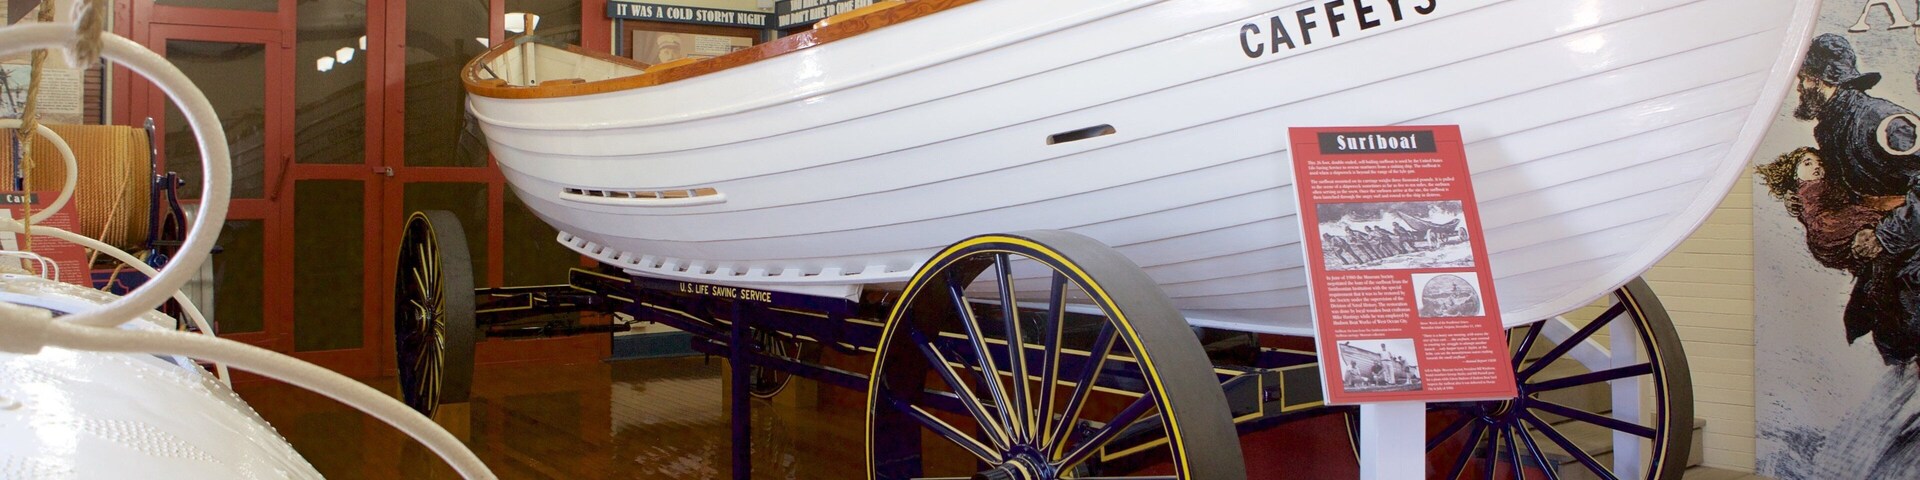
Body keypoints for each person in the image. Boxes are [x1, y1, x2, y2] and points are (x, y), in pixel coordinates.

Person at [1757, 147, 1918, 364]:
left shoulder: (1822, 186)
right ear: (1793, 173)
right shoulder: (1811, 192)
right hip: (1835, 229)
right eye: (1807, 163)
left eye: (1819, 163)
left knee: (1883, 272)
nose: (1816, 167)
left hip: (1842, 229)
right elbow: (1824, 215)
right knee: (1884, 271)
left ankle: (1893, 338)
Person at [1795, 34, 1920, 199]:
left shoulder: (1885, 120)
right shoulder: (1826, 130)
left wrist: (1890, 218)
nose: (1799, 87)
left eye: (1803, 78)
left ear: (1820, 80)